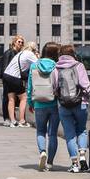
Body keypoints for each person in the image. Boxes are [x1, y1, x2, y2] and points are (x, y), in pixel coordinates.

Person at [52, 43, 90, 173]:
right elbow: (84, 84)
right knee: (82, 130)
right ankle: (83, 157)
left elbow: (55, 87)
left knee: (70, 134)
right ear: (73, 54)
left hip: (63, 105)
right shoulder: (79, 65)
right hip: (81, 102)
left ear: (60, 55)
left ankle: (75, 164)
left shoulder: (56, 68)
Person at [28, 41, 61, 171]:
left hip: (39, 103)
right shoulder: (57, 66)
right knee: (52, 133)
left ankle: (42, 152)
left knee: (40, 131)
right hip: (54, 103)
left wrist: (31, 103)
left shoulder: (34, 66)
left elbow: (30, 87)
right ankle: (50, 162)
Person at [3, 41, 36, 128]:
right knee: (23, 97)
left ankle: (13, 121)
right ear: (33, 49)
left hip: (6, 75)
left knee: (11, 98)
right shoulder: (30, 54)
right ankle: (22, 120)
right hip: (14, 77)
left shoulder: (21, 53)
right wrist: (38, 56)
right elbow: (38, 64)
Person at [0, 35, 25, 123]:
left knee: (13, 99)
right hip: (8, 78)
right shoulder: (9, 52)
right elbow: (5, 67)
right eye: (19, 42)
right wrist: (6, 79)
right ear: (14, 42)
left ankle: (13, 118)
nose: (20, 44)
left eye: (22, 42)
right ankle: (7, 118)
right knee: (7, 98)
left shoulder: (19, 54)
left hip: (15, 79)